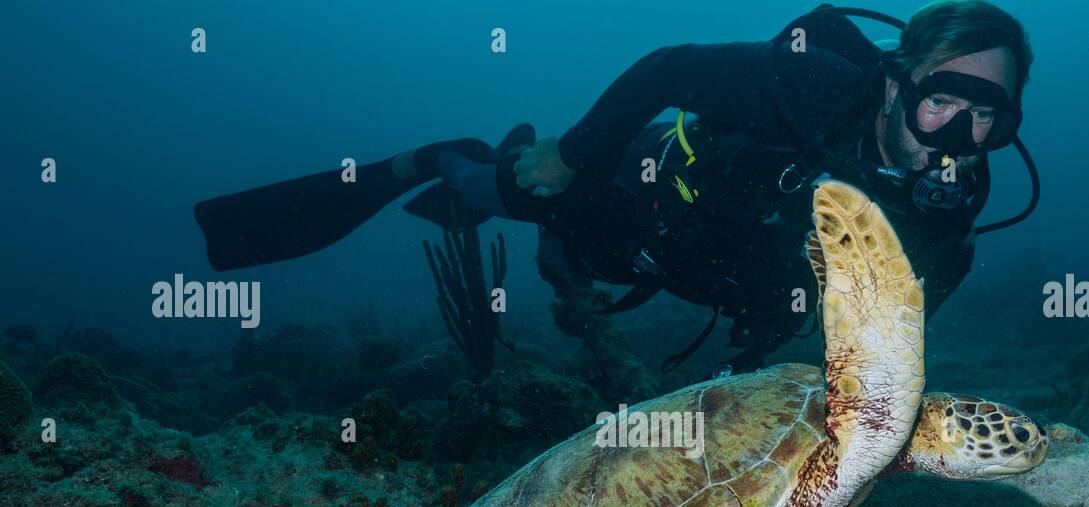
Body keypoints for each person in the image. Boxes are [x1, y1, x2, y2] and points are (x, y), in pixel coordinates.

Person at [420, 1, 1034, 371]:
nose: (958, 137)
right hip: (637, 194)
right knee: (495, 194)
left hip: (712, 276)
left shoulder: (961, 194)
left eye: (986, 117)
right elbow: (667, 68)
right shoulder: (811, 87)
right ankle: (437, 158)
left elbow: (901, 315)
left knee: (570, 260)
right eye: (942, 102)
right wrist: (572, 156)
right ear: (899, 88)